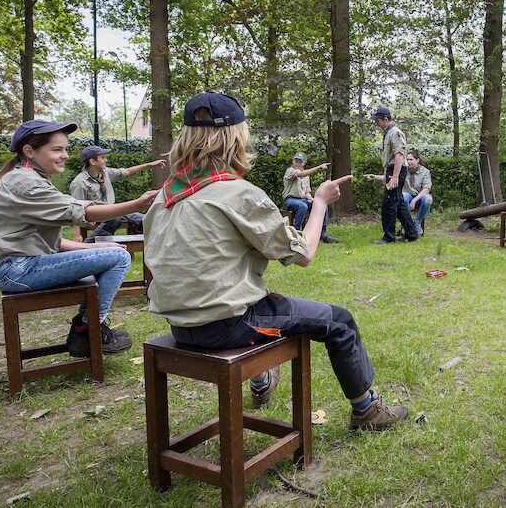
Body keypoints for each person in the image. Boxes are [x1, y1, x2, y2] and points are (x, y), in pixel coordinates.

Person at [143, 93, 408, 430]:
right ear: (236, 138)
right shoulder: (236, 193)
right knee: (339, 322)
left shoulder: (167, 195)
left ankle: (260, 378)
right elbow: (303, 254)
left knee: (264, 300)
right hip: (226, 324)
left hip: (180, 326)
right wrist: (321, 203)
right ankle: (367, 411)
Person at [0, 121, 159, 356]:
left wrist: (92, 249)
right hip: (18, 270)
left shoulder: (23, 176)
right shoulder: (25, 183)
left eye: (65, 149)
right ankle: (87, 330)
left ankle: (86, 327)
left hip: (15, 266)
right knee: (119, 258)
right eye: (57, 150)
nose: (66, 156)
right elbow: (82, 212)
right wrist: (138, 204)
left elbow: (48, 241)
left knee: (112, 255)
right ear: (29, 151)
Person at [69, 146, 165, 241]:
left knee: (144, 219)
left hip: (112, 211)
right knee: (114, 219)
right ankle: (88, 244)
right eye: (102, 157)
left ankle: (141, 245)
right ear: (92, 162)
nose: (106, 160)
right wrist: (77, 235)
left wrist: (150, 165)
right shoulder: (80, 182)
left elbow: (126, 171)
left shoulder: (106, 173)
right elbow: (76, 210)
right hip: (96, 216)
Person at [366, 106, 419, 244]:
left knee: (389, 204)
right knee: (399, 204)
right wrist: (385, 176)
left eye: (378, 121)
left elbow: (399, 156)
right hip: (392, 171)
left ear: (386, 119)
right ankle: (412, 233)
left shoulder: (395, 133)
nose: (377, 124)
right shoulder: (388, 132)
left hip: (397, 170)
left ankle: (389, 237)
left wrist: (394, 177)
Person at [282, 152, 339, 244]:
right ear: (293, 162)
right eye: (296, 161)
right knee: (303, 206)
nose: (298, 164)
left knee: (321, 204)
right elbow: (300, 174)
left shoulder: (306, 176)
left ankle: (323, 234)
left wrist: (312, 199)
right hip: (290, 200)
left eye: (300, 162)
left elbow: (306, 191)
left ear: (304, 163)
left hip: (302, 200)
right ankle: (297, 234)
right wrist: (318, 167)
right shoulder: (290, 171)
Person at [401, 150, 433, 235]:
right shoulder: (404, 170)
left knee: (428, 199)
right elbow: (392, 177)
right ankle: (407, 224)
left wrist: (414, 200)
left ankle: (417, 223)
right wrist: (375, 177)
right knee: (403, 196)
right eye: (407, 160)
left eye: (411, 160)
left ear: (417, 160)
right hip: (407, 196)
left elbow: (426, 189)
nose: (408, 162)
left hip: (419, 198)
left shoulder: (425, 171)